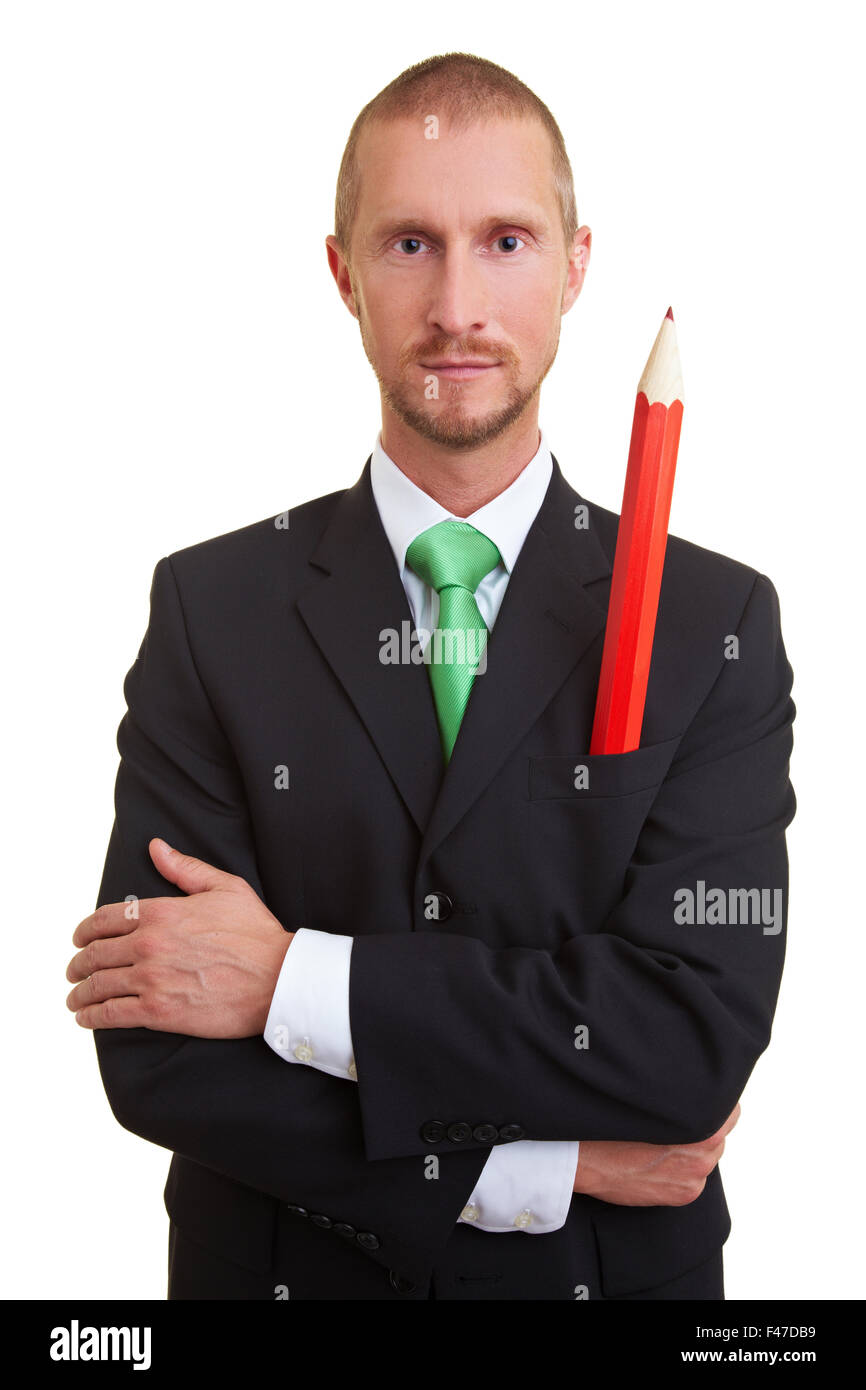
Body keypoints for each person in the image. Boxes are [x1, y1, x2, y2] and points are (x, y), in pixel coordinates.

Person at [66, 52, 795, 1301]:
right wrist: (544, 1166)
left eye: (504, 240)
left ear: (574, 266)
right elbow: (160, 1054)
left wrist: (290, 982)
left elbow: (685, 1045)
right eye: (409, 244)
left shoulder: (713, 620)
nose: (456, 304)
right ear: (343, 273)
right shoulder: (211, 609)